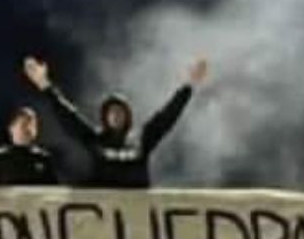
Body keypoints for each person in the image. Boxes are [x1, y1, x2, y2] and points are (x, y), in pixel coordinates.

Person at [22, 55, 207, 188]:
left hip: (138, 213)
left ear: (127, 116)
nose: (116, 115)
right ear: (105, 117)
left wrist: (188, 86)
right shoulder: (95, 139)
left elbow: (167, 116)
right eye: (111, 112)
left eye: (120, 111)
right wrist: (45, 86)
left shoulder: (141, 139)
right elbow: (68, 116)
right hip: (106, 214)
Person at [0, 107, 58, 186]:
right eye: (24, 125)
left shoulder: (44, 159)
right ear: (11, 129)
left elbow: (52, 190)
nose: (28, 130)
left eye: (32, 126)